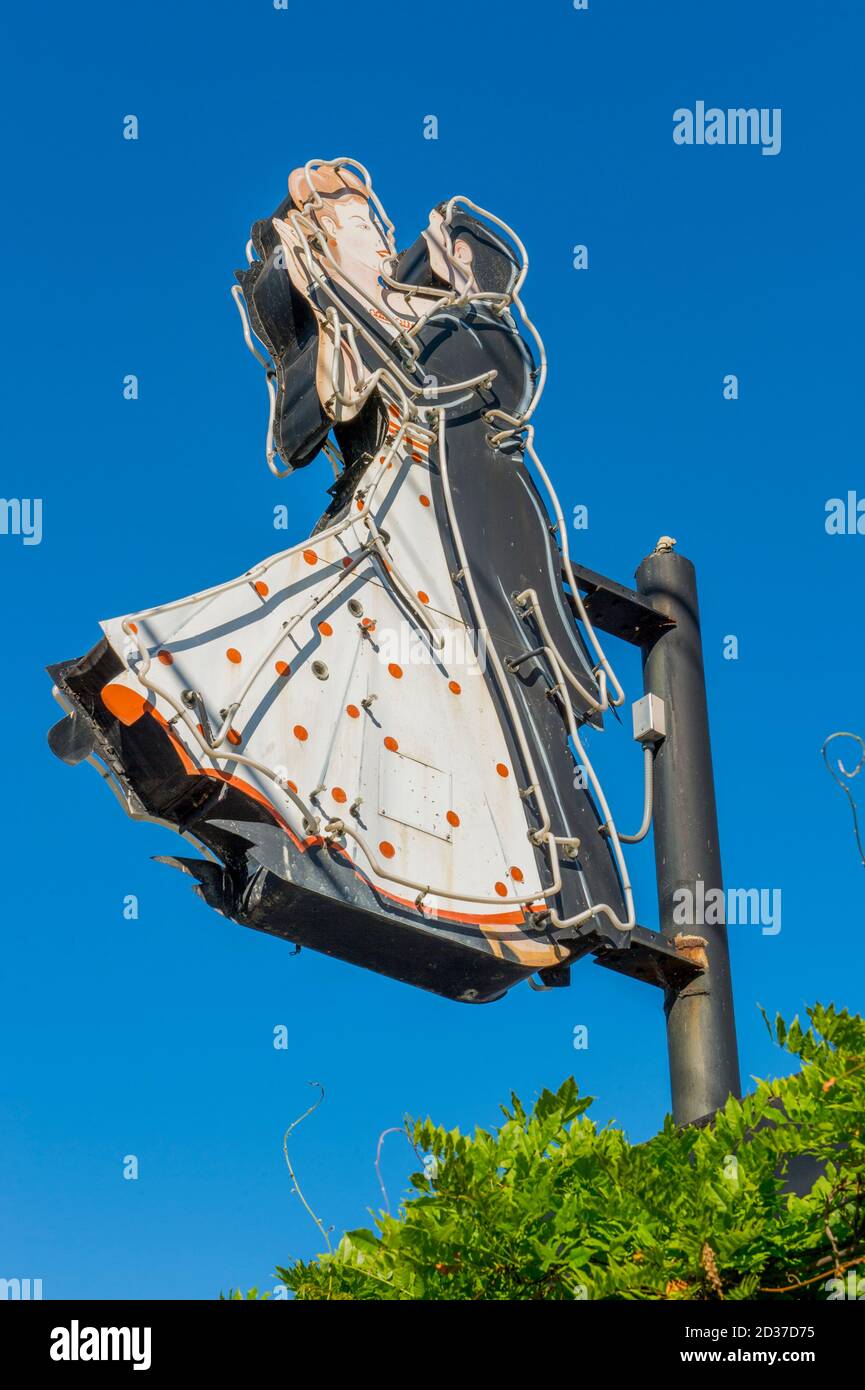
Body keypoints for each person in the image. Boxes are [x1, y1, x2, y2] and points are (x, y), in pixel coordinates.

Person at [48, 159, 634, 1004]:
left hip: (464, 526)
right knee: (336, 637)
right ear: (325, 243)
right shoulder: (360, 324)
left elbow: (499, 373)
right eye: (368, 228)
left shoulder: (428, 313)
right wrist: (339, 262)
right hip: (412, 512)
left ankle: (534, 896)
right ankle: (157, 710)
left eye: (385, 229)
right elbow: (324, 397)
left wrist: (464, 277)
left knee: (449, 693)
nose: (387, 241)